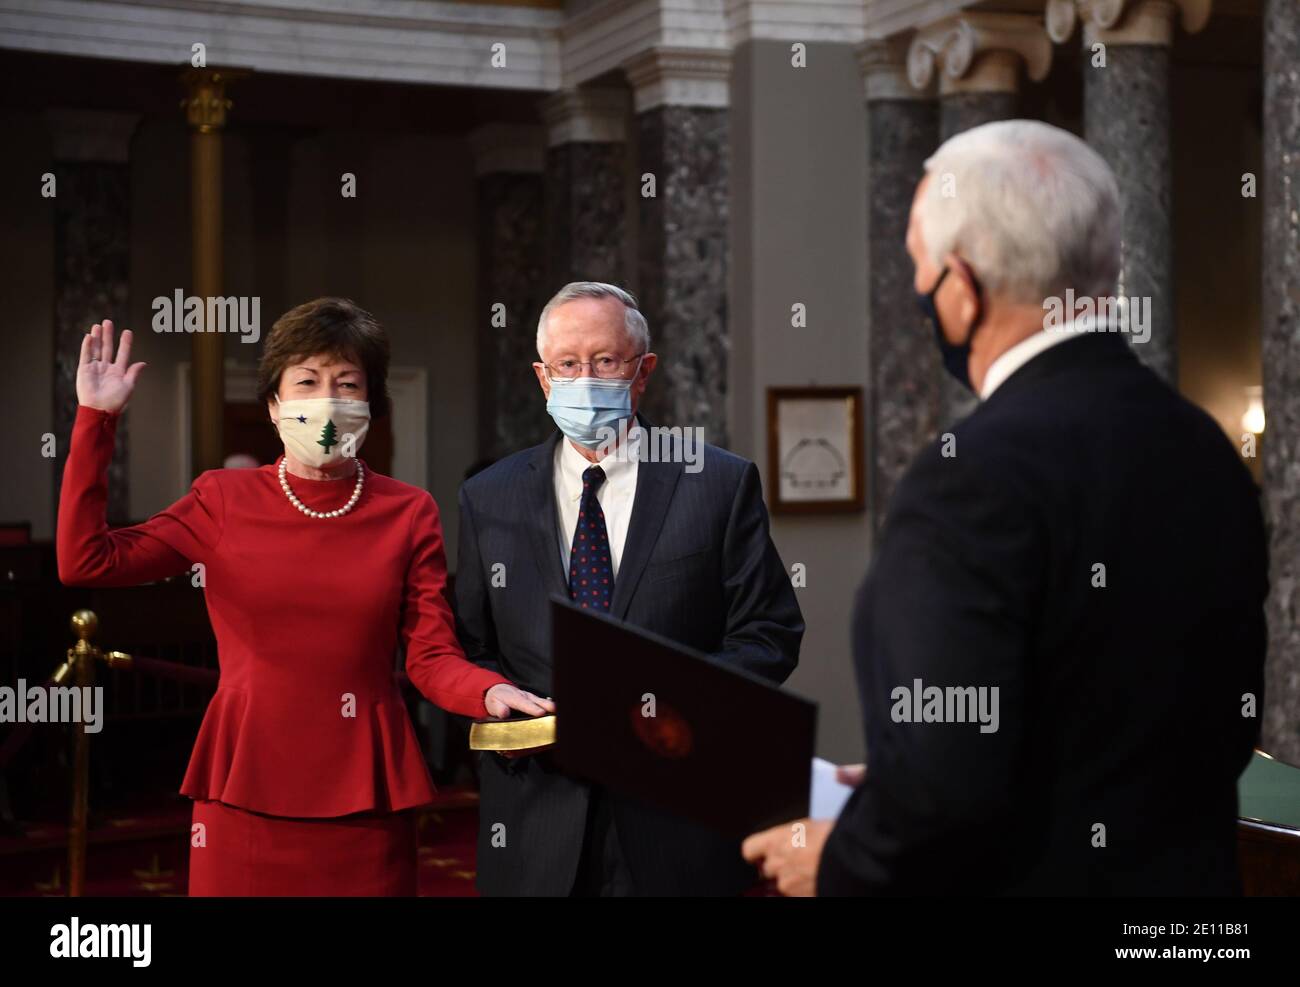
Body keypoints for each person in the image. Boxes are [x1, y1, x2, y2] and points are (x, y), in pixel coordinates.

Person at [743, 120, 1268, 895]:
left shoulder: (971, 480)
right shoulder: (1205, 447)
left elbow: (943, 793)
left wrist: (844, 854)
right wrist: (898, 779)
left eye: (921, 271)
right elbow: (1199, 728)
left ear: (961, 287)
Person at [57, 300, 551, 896]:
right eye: (308, 382)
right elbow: (86, 559)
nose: (328, 401)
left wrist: (487, 689)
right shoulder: (222, 498)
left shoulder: (409, 510)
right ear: (273, 404)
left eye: (347, 384)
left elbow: (429, 656)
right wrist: (94, 421)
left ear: (370, 405)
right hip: (246, 785)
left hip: (365, 793)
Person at [456, 281, 804, 896]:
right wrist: (500, 705)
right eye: (567, 364)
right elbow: (471, 647)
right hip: (537, 819)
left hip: (678, 821)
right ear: (543, 378)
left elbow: (769, 633)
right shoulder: (490, 497)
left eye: (605, 361)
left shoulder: (717, 483)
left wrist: (669, 705)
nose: (584, 378)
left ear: (642, 373)